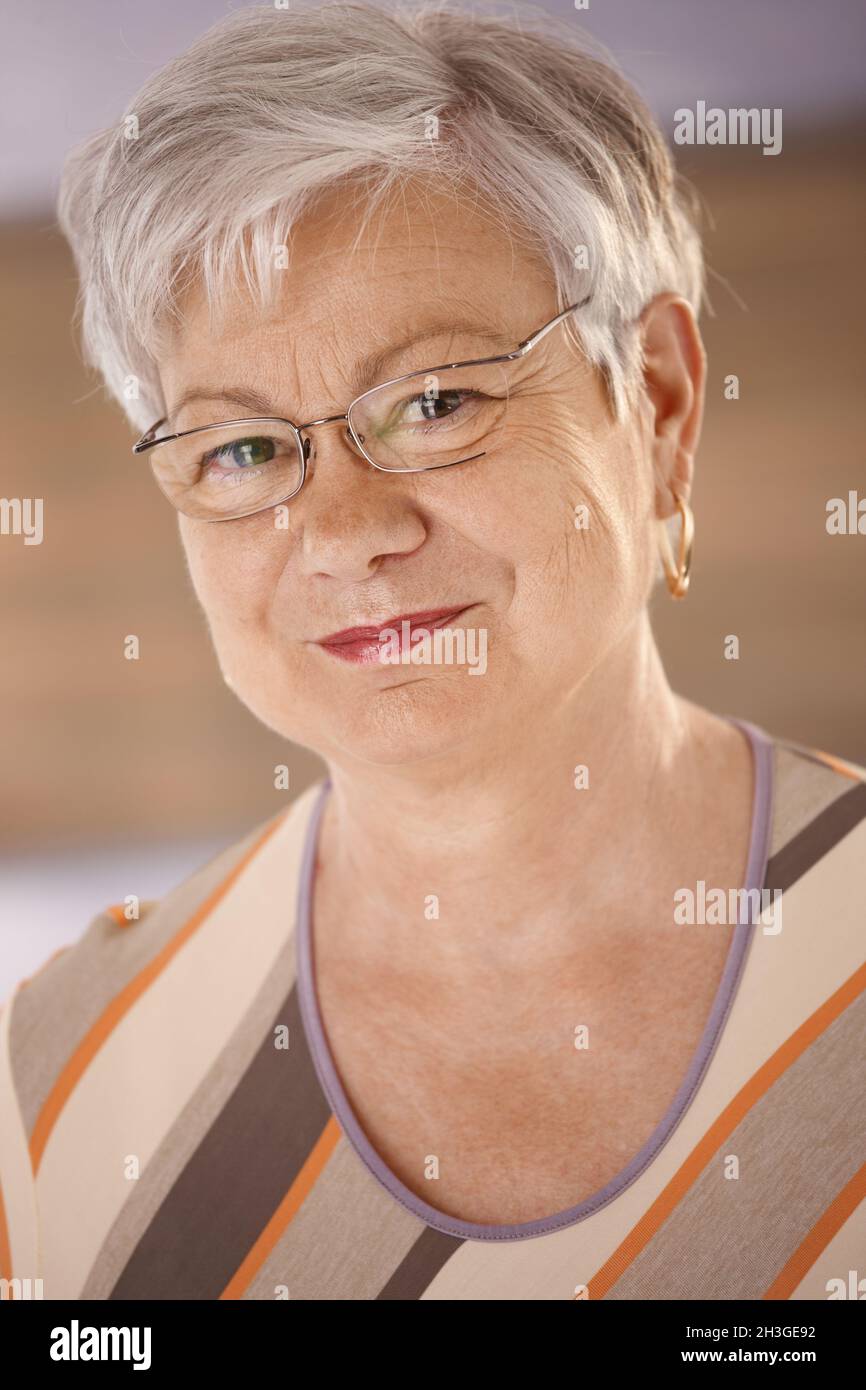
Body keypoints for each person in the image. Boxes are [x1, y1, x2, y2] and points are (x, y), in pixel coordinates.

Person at [1, 1, 863, 1302]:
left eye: (436, 400)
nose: (342, 531)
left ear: (661, 406)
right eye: (241, 448)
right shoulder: (58, 1072)